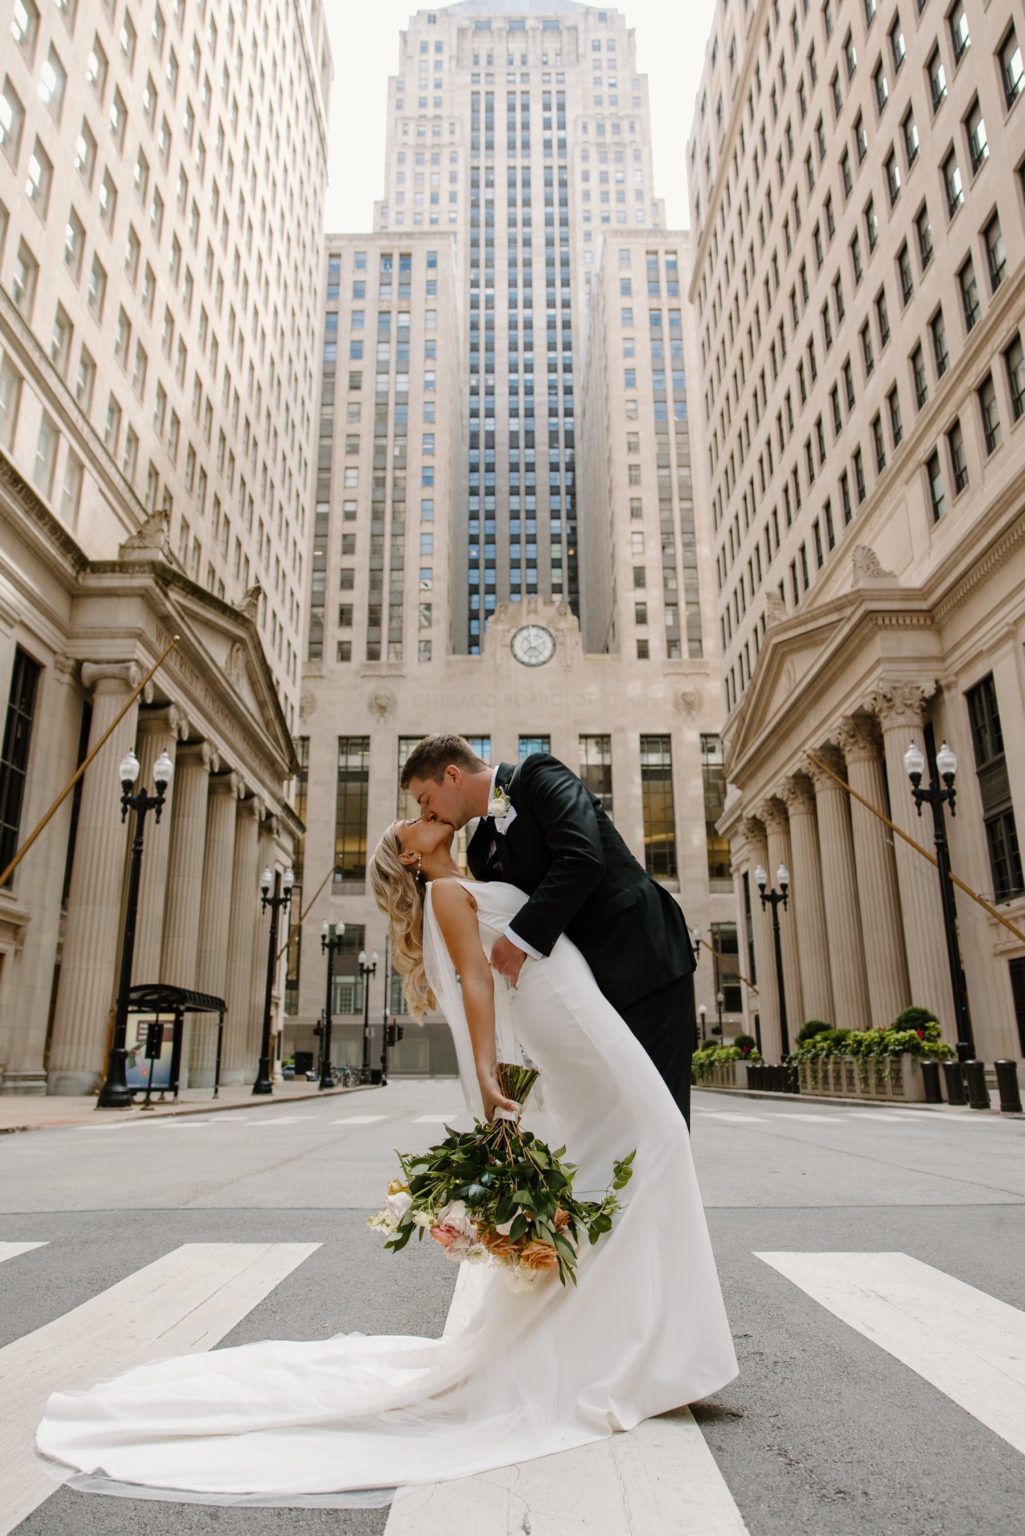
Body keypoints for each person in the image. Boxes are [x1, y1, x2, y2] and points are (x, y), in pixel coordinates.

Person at [34, 816, 737, 1508]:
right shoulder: (447, 895)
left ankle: (635, 1345)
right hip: (567, 1023)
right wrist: (490, 1076)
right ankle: (650, 1351)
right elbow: (474, 981)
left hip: (574, 1014)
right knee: (653, 1146)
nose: (422, 817)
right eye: (412, 821)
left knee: (623, 1162)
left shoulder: (469, 882)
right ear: (408, 854)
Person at [402, 733, 699, 1125]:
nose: (428, 813)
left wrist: (517, 940)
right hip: (585, 991)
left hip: (642, 960)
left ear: (453, 775)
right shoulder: (479, 851)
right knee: (614, 1121)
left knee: (661, 1115)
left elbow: (582, 857)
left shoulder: (538, 774)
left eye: (425, 800)